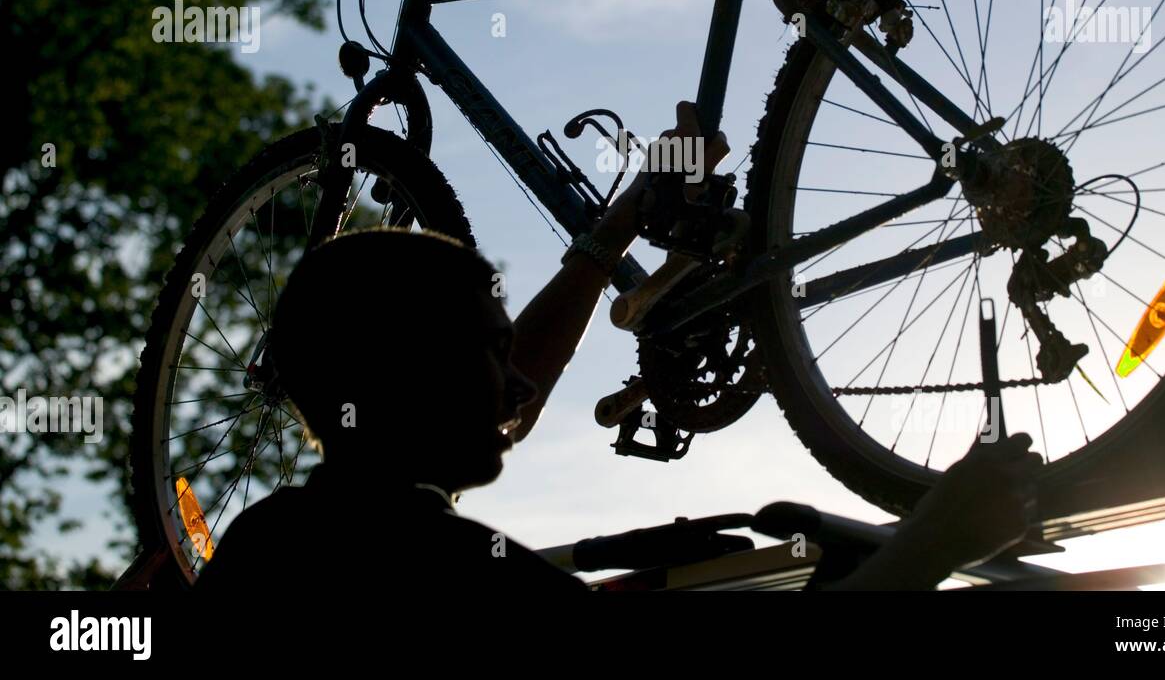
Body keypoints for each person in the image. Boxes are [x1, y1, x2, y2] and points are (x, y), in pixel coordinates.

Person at [196, 102, 1040, 591]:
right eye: (489, 359)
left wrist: (624, 219)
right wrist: (935, 545)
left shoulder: (272, 546)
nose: (521, 390)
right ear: (408, 373)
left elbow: (502, 375)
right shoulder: (418, 562)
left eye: (505, 359)